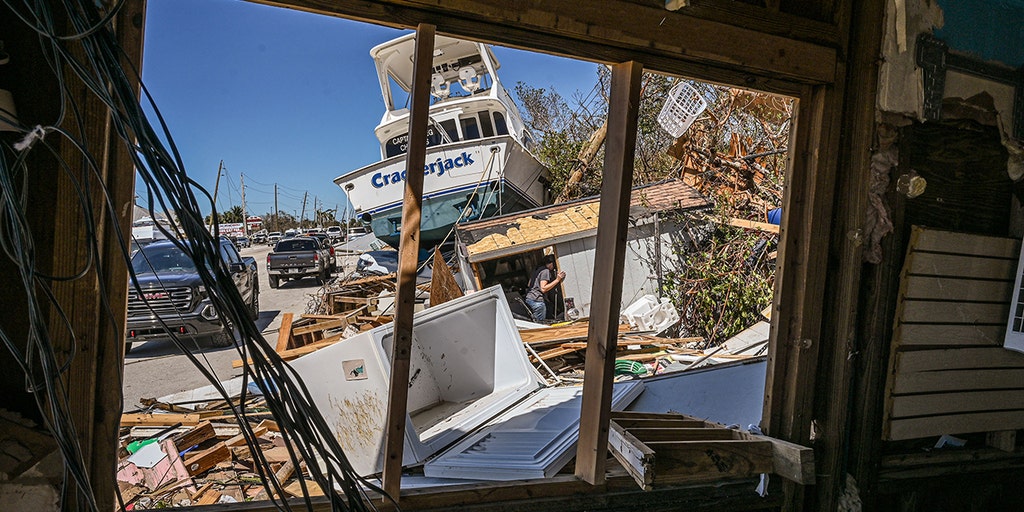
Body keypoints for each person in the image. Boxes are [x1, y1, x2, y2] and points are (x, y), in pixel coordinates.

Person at [525, 254, 566, 323]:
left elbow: (529, 284)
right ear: (551, 263)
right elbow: (543, 288)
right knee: (539, 324)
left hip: (530, 298)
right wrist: (557, 280)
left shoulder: (538, 269)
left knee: (549, 307)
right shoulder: (545, 271)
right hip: (536, 300)